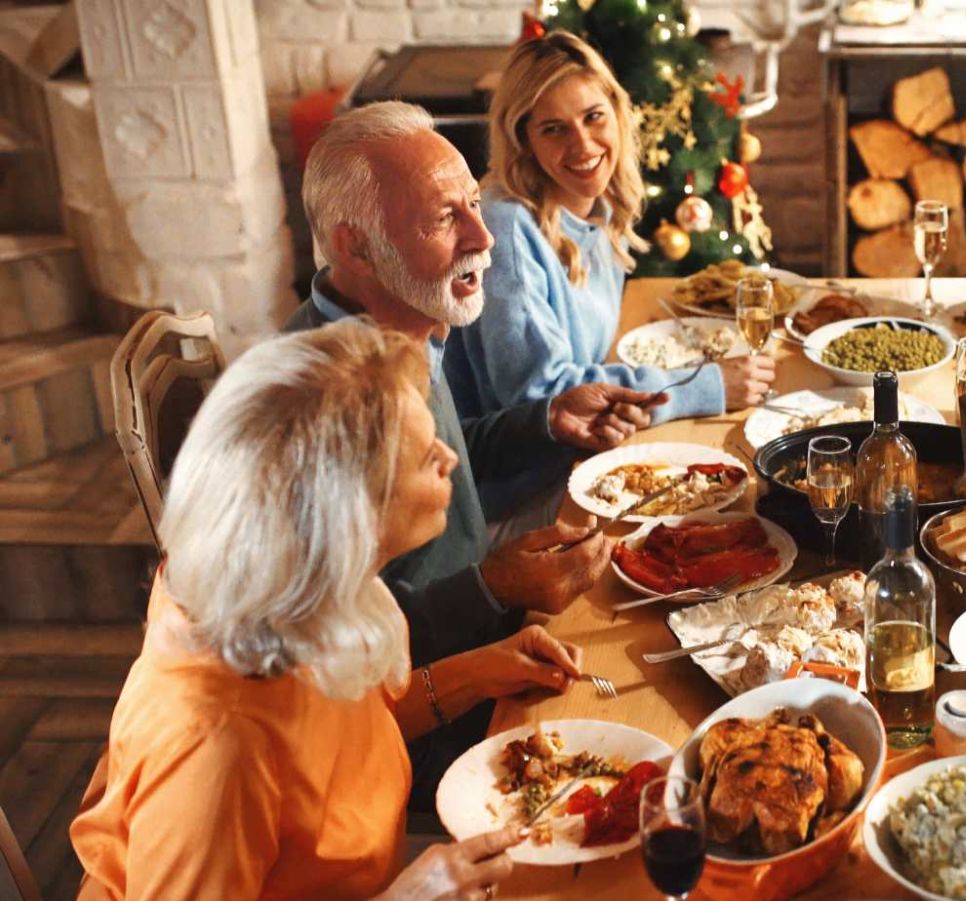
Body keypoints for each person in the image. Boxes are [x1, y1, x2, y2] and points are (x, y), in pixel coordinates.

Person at [72, 321, 584, 899]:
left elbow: (347, 737)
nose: (450, 457)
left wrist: (486, 669)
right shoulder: (217, 748)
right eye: (422, 456)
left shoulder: (289, 592)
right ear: (343, 519)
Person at [290, 100, 659, 805]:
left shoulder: (408, 324)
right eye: (443, 219)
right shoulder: (320, 408)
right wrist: (492, 588)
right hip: (414, 735)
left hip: (483, 639)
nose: (484, 236)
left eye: (473, 204)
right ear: (356, 247)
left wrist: (546, 419)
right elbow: (339, 659)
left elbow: (444, 471)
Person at [444, 31, 775, 520]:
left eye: (593, 117)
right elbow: (544, 400)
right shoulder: (507, 226)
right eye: (553, 129)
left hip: (589, 456)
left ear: (617, 114)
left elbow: (582, 372)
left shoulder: (596, 208)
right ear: (524, 141)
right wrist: (701, 387)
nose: (582, 144)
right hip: (524, 500)